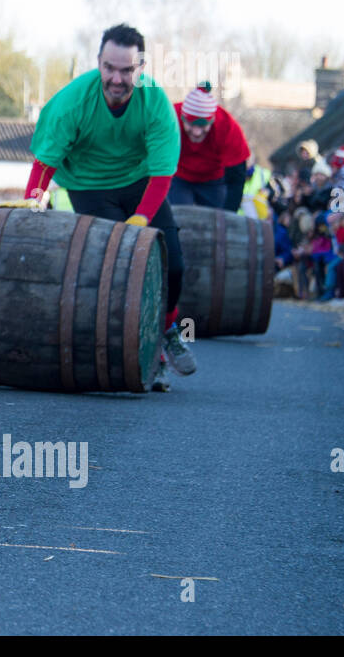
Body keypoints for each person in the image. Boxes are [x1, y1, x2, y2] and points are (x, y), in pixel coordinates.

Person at [25, 22, 193, 392]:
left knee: (174, 264)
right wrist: (30, 209)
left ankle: (167, 329)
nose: (117, 78)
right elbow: (44, 165)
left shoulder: (155, 102)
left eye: (127, 70)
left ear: (141, 68)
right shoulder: (74, 101)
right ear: (98, 62)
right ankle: (142, 354)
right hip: (89, 184)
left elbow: (163, 173)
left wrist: (142, 217)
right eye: (109, 68)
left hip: (139, 182)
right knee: (123, 268)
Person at [168, 82, 250, 211]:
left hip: (213, 180)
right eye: (190, 124)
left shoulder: (227, 127)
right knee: (178, 216)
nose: (196, 132)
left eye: (202, 125)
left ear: (212, 121)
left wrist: (229, 215)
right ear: (182, 118)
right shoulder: (169, 118)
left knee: (217, 220)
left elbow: (236, 179)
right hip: (179, 177)